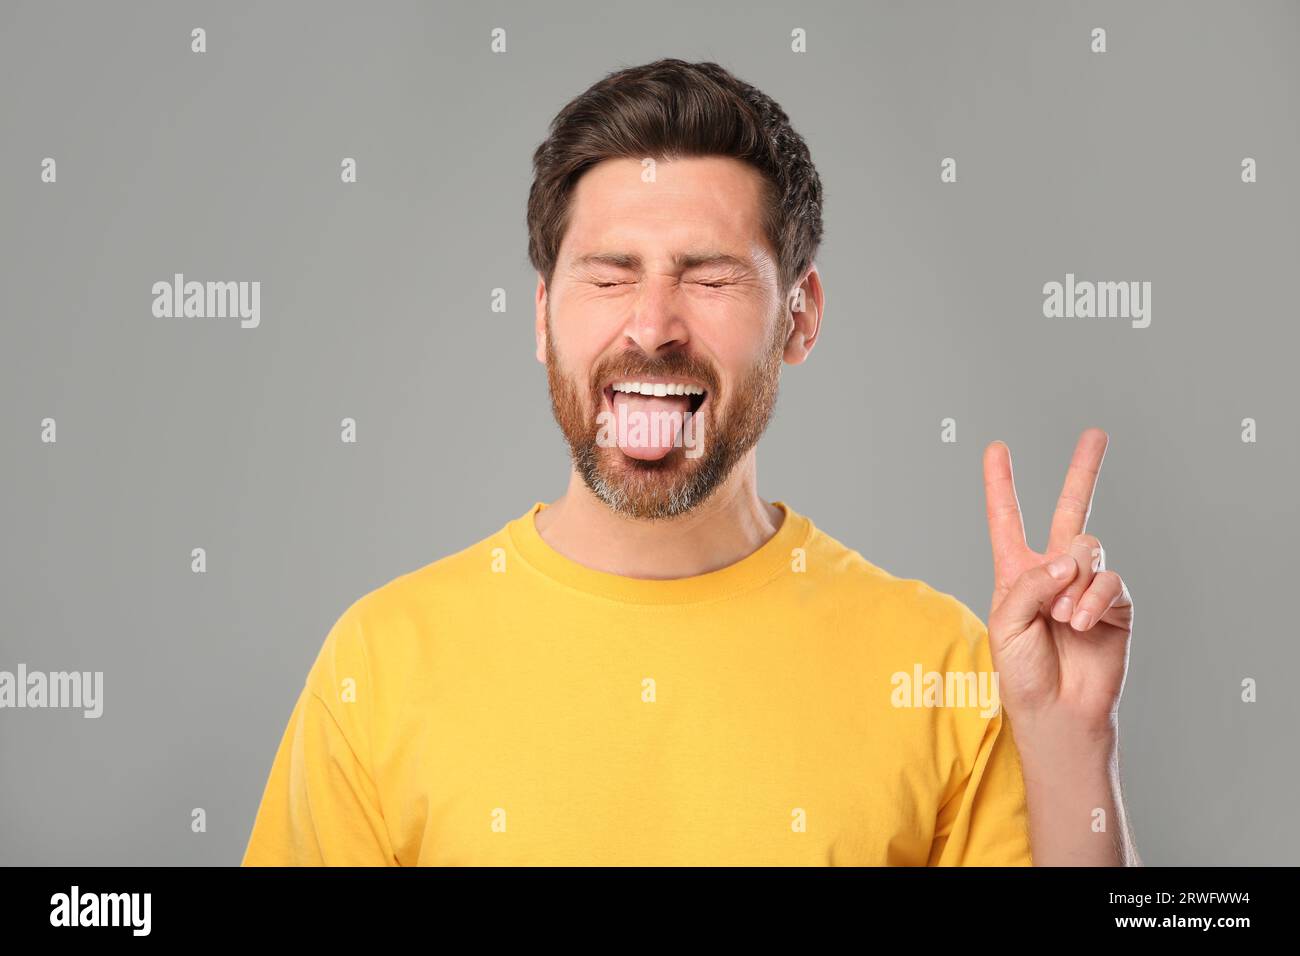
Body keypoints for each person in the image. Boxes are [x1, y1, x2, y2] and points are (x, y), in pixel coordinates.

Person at [242, 58, 1138, 866]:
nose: (652, 323)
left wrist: (1069, 751)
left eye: (708, 276)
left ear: (800, 315)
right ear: (543, 316)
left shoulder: (941, 667)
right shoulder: (380, 662)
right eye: (610, 274)